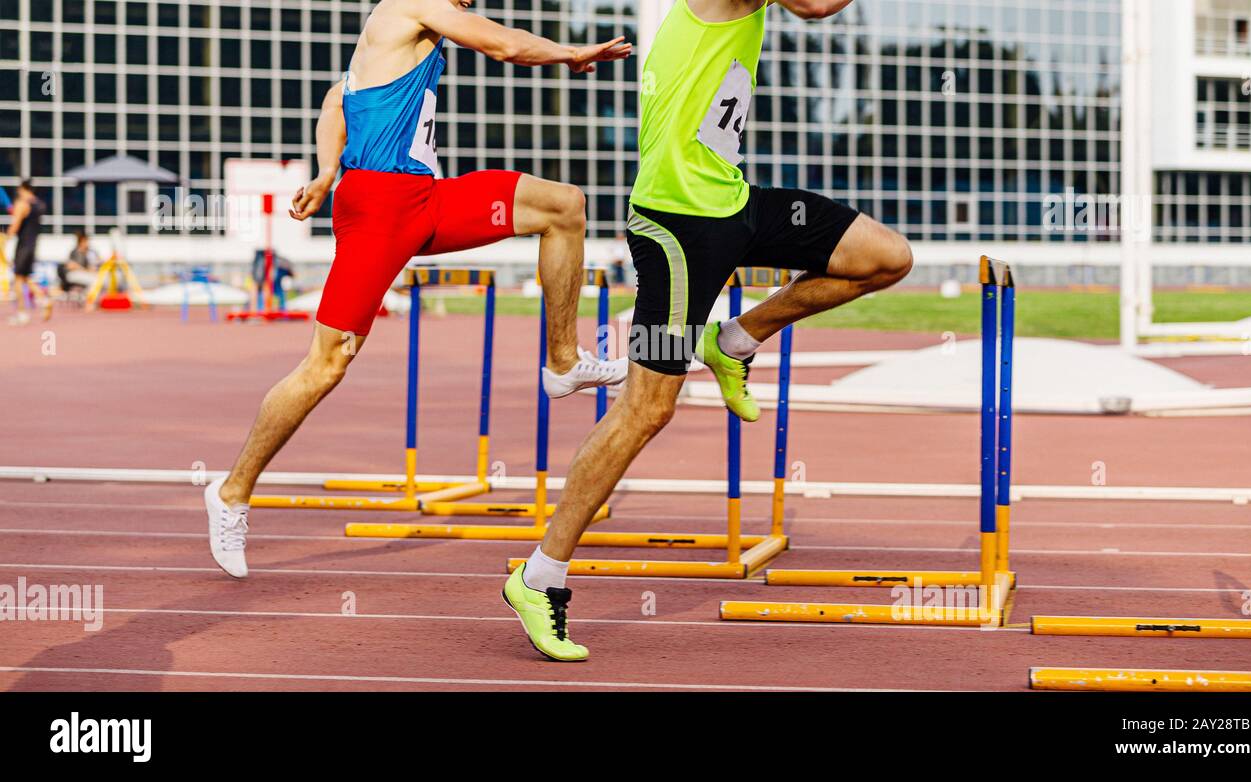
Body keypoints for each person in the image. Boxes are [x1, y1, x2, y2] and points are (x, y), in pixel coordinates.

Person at [502, 0, 914, 661]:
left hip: (733, 206)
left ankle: (736, 340)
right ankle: (539, 575)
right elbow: (814, 7)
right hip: (676, 234)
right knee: (644, 411)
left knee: (885, 256)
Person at [204, 0, 632, 578]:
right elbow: (502, 45)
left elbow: (337, 99)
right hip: (378, 207)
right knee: (326, 366)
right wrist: (573, 52)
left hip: (426, 200)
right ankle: (231, 493)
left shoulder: (412, 31)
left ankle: (562, 361)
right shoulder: (408, 4)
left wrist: (325, 171)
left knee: (564, 206)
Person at [6, 180, 52, 324]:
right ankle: (44, 300)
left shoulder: (22, 204)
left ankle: (21, 314)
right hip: (33, 246)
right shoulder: (39, 205)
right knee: (25, 278)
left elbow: (15, 226)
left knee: (18, 280)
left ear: (24, 189)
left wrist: (5, 239)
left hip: (23, 246)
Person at [59, 231, 98, 296]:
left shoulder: (89, 253)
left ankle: (88, 297)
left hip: (85, 273)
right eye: (85, 241)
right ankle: (89, 299)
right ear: (81, 242)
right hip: (73, 274)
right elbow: (71, 266)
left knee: (97, 279)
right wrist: (85, 270)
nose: (87, 243)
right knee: (93, 280)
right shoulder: (75, 252)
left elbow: (93, 266)